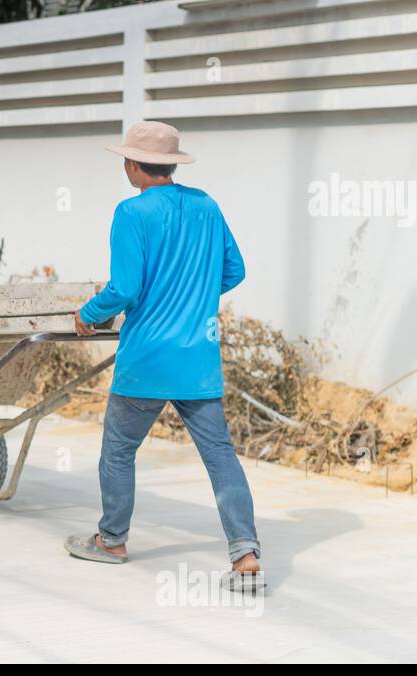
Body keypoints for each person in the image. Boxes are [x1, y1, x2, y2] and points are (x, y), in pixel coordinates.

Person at [64, 121, 262, 591]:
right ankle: (246, 556)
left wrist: (88, 315)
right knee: (220, 455)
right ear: (171, 165)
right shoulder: (206, 205)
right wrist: (192, 296)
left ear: (134, 165)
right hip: (197, 360)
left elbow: (124, 288)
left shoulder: (131, 213)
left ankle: (112, 540)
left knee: (118, 450)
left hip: (147, 358)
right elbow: (234, 270)